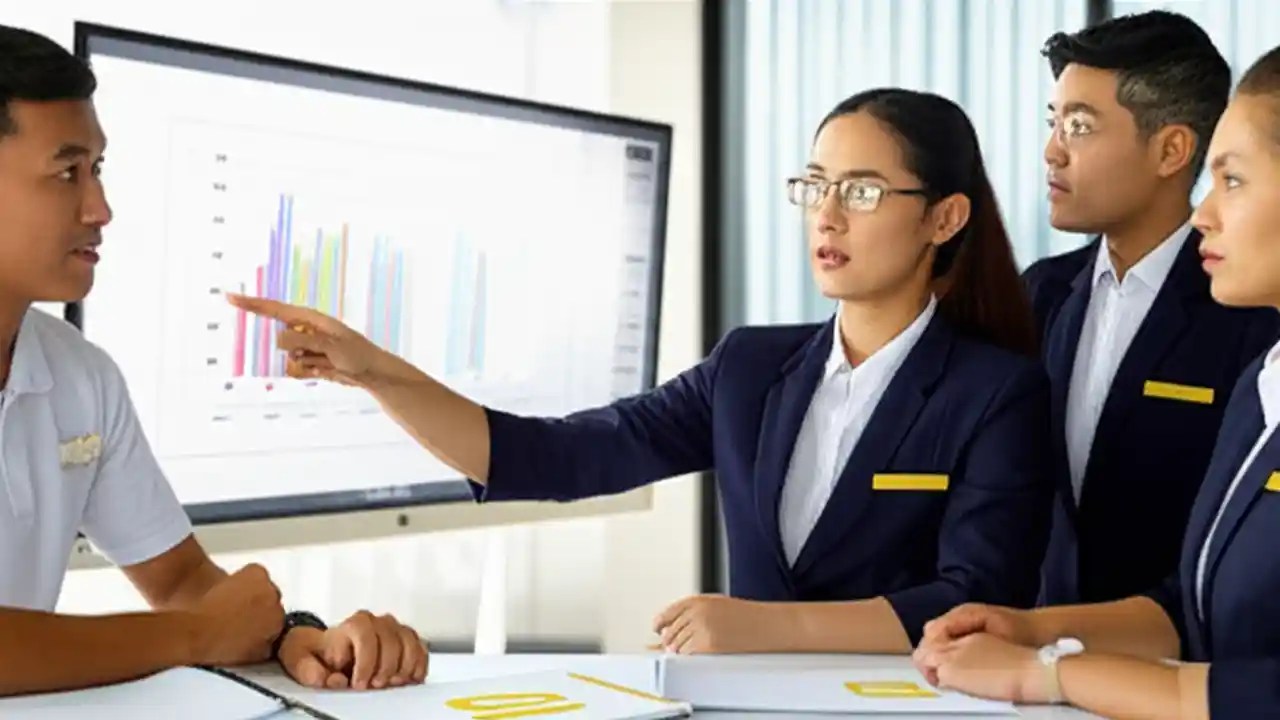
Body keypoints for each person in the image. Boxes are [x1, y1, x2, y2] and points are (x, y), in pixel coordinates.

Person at [231, 87, 1056, 655]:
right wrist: (377, 373)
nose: (828, 215)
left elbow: (976, 599)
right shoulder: (750, 368)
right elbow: (560, 455)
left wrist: (769, 628)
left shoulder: (996, 392)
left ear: (944, 217)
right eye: (816, 186)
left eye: (863, 193)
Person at [0, 25, 427, 696]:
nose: (100, 208)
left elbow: (181, 582)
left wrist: (293, 641)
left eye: (98, 169)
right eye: (66, 172)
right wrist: (196, 636)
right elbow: (196, 623)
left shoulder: (80, 376)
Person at [914, 44, 1280, 720]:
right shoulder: (1265, 387)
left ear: (1170, 150)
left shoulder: (1243, 327)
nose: (1204, 213)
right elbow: (1190, 607)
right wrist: (1029, 630)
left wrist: (1048, 672)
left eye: (1232, 180)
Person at [1024, 9, 1280, 606]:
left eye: (1079, 126)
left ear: (1171, 150)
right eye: (1054, 123)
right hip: (1041, 644)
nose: (1053, 152)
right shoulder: (1040, 295)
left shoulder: (1253, 310)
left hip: (1195, 646)